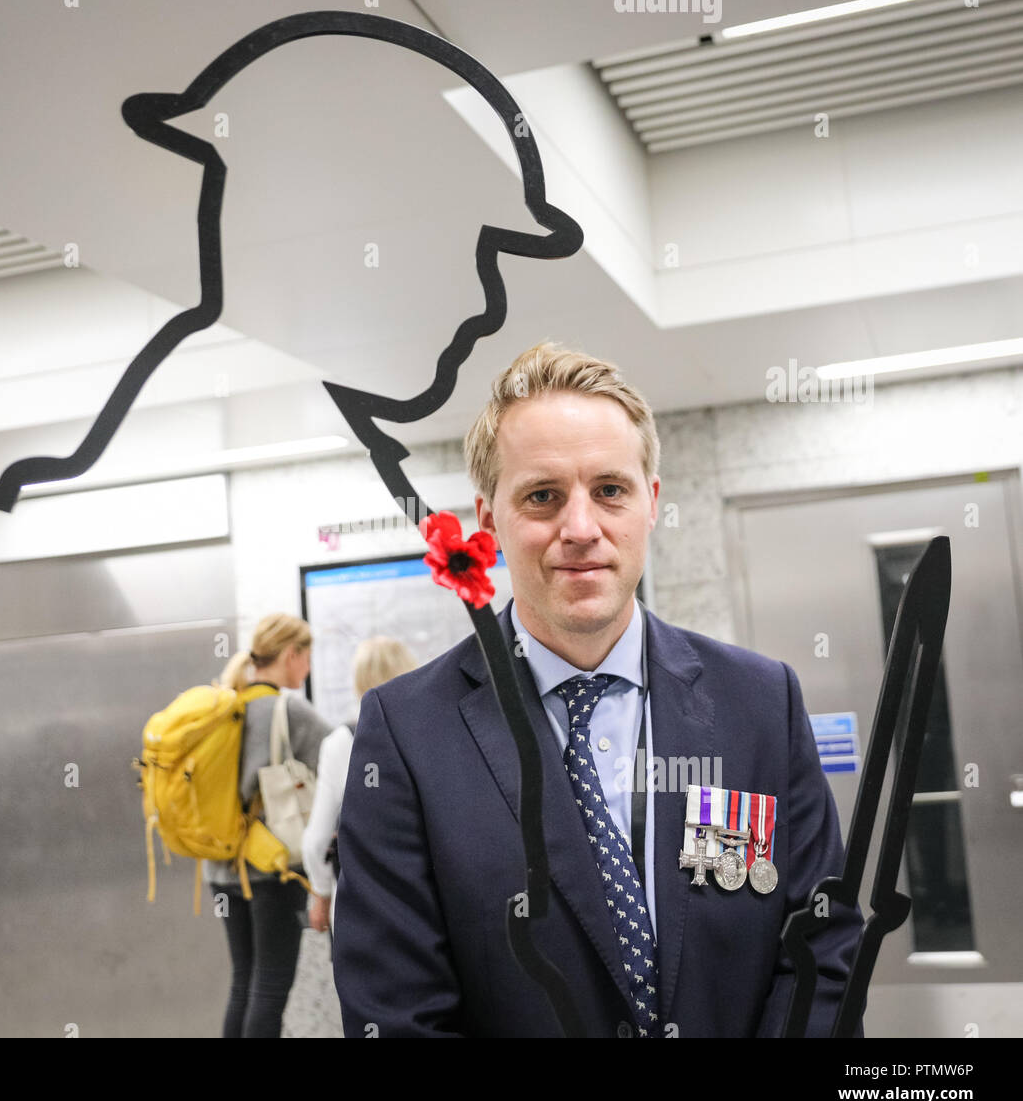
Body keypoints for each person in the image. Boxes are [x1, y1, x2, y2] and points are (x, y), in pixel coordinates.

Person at [331, 342, 864, 1038]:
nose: (580, 529)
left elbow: (821, 947)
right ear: (489, 518)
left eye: (610, 490)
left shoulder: (760, 703)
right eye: (543, 496)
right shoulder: (407, 734)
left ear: (652, 504)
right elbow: (395, 1010)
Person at [207, 612, 332, 1038]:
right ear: (291, 654)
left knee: (244, 982)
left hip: (221, 868)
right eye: (307, 656)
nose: (309, 667)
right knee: (271, 987)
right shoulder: (287, 709)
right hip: (271, 868)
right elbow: (342, 758)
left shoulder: (225, 703)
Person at [303, 636, 418, 941]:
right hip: (425, 904)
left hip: (360, 907)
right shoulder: (430, 734)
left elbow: (316, 840)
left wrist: (322, 895)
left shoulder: (341, 743)